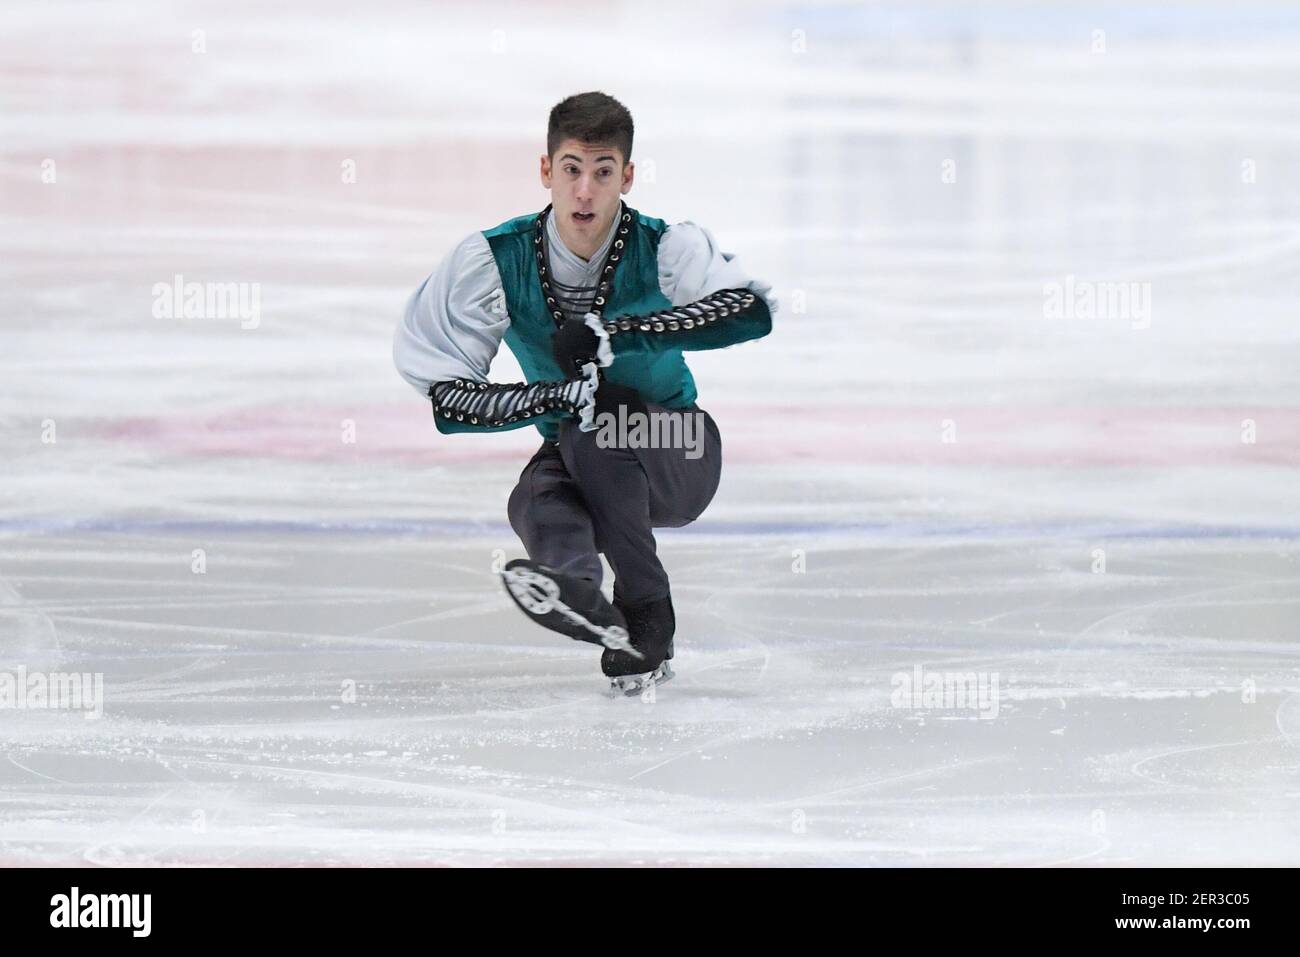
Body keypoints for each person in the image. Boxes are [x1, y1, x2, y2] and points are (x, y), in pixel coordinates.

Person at [393, 91, 775, 693]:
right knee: (534, 502)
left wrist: (623, 334)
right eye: (571, 170)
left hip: (680, 446)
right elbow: (449, 398)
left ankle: (648, 606)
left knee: (601, 423)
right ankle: (582, 596)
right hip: (579, 445)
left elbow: (748, 311)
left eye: (602, 173)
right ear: (546, 170)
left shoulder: (664, 247)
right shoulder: (496, 260)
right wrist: (550, 398)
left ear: (626, 176)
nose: (585, 192)